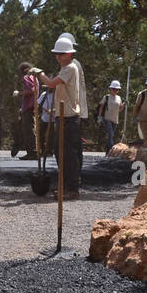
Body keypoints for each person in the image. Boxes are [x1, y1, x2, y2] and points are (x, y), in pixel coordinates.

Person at [37, 34, 87, 198]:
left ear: (70, 54)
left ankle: (71, 189)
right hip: (64, 116)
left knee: (68, 155)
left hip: (69, 118)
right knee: (61, 153)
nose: (58, 57)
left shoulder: (70, 68)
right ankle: (66, 186)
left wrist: (40, 73)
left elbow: (51, 83)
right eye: (56, 54)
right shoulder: (66, 68)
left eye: (62, 54)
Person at [14, 62, 38, 159]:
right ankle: (32, 151)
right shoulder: (34, 78)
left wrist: (19, 93)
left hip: (28, 107)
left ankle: (32, 152)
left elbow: (32, 90)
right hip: (32, 106)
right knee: (30, 129)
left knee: (28, 130)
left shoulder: (27, 78)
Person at [96, 79, 124, 151]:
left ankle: (107, 151)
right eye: (114, 89)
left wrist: (124, 105)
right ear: (111, 89)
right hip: (107, 118)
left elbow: (119, 110)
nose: (115, 90)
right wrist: (99, 117)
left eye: (117, 89)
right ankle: (111, 150)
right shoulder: (107, 97)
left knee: (111, 136)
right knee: (111, 134)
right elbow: (101, 107)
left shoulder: (119, 98)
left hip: (115, 120)